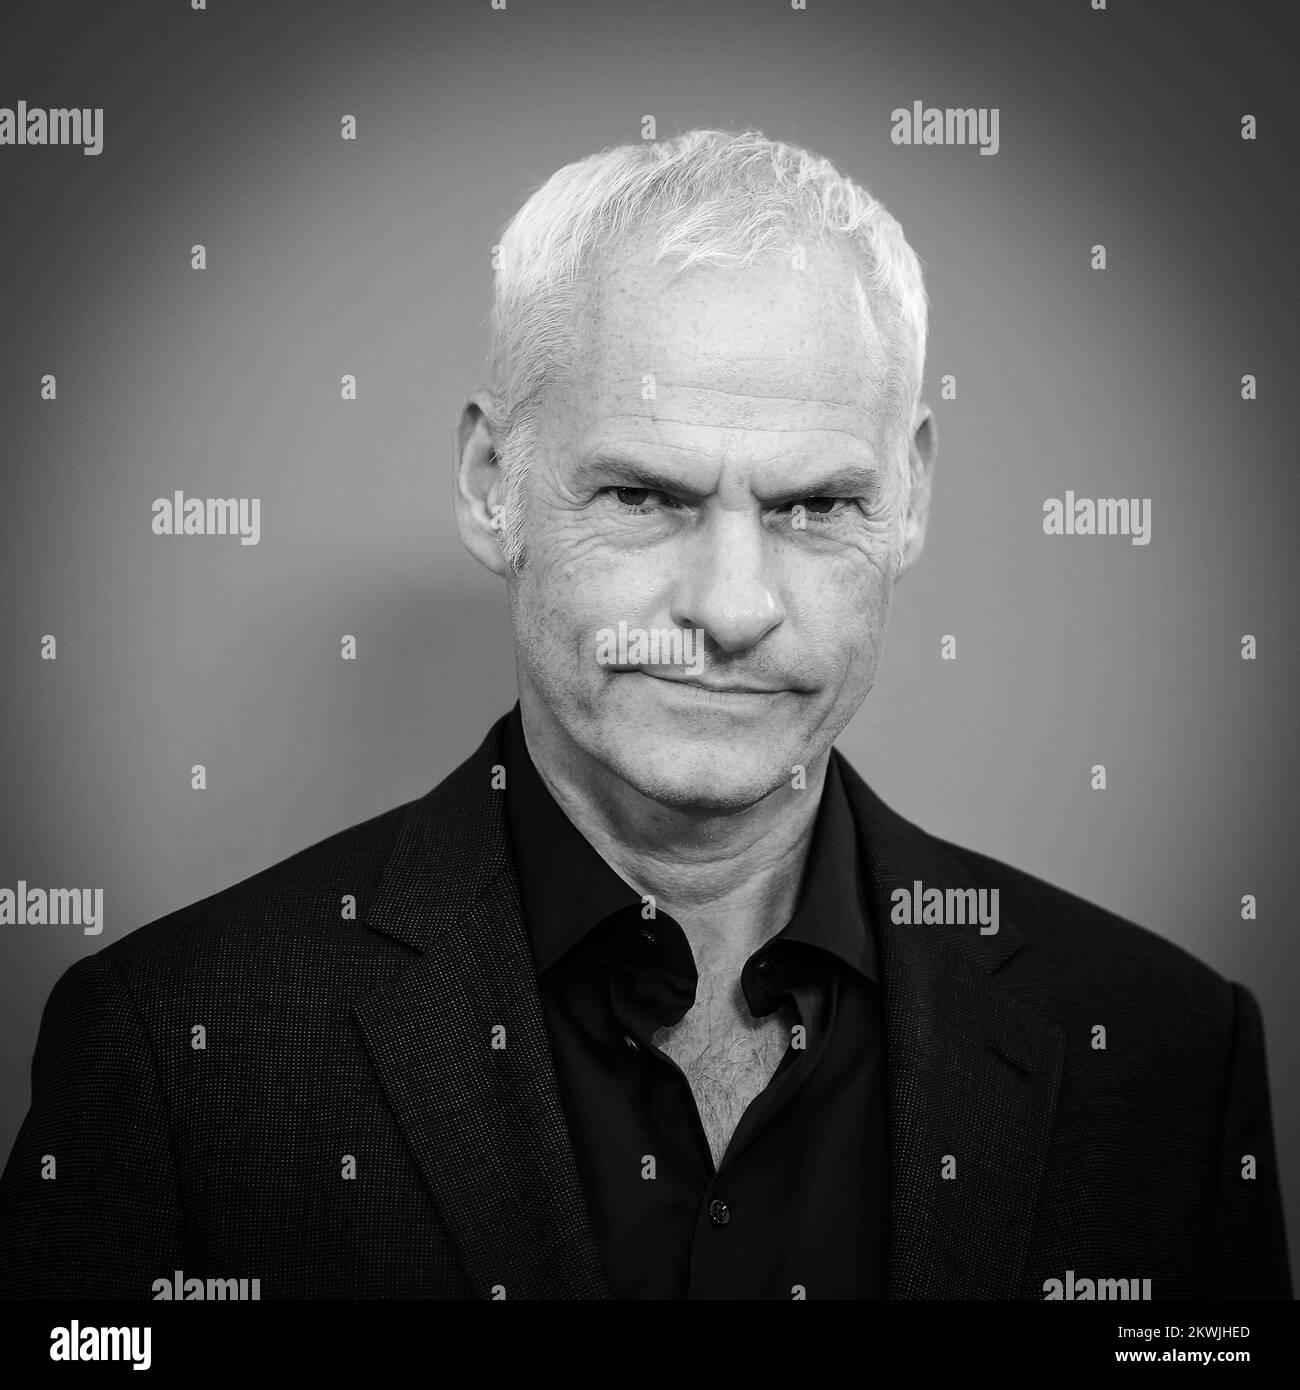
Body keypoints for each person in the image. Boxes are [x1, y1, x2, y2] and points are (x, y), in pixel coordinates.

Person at [0, 130, 1289, 1300]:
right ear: (493, 485)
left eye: (814, 507)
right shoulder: (170, 1043)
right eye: (644, 496)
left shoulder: (1168, 1051)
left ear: (912, 499)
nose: (733, 610)